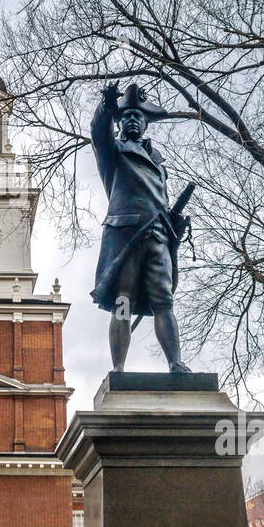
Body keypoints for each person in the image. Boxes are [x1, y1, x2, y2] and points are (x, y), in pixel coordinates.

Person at [90, 82, 192, 373]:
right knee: (123, 301)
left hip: (159, 235)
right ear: (120, 122)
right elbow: (99, 133)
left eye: (138, 116)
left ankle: (176, 363)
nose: (132, 120)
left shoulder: (159, 163)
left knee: (164, 300)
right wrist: (106, 107)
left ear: (146, 123)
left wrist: (174, 225)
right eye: (126, 116)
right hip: (127, 234)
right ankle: (119, 369)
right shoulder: (113, 152)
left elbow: (159, 199)